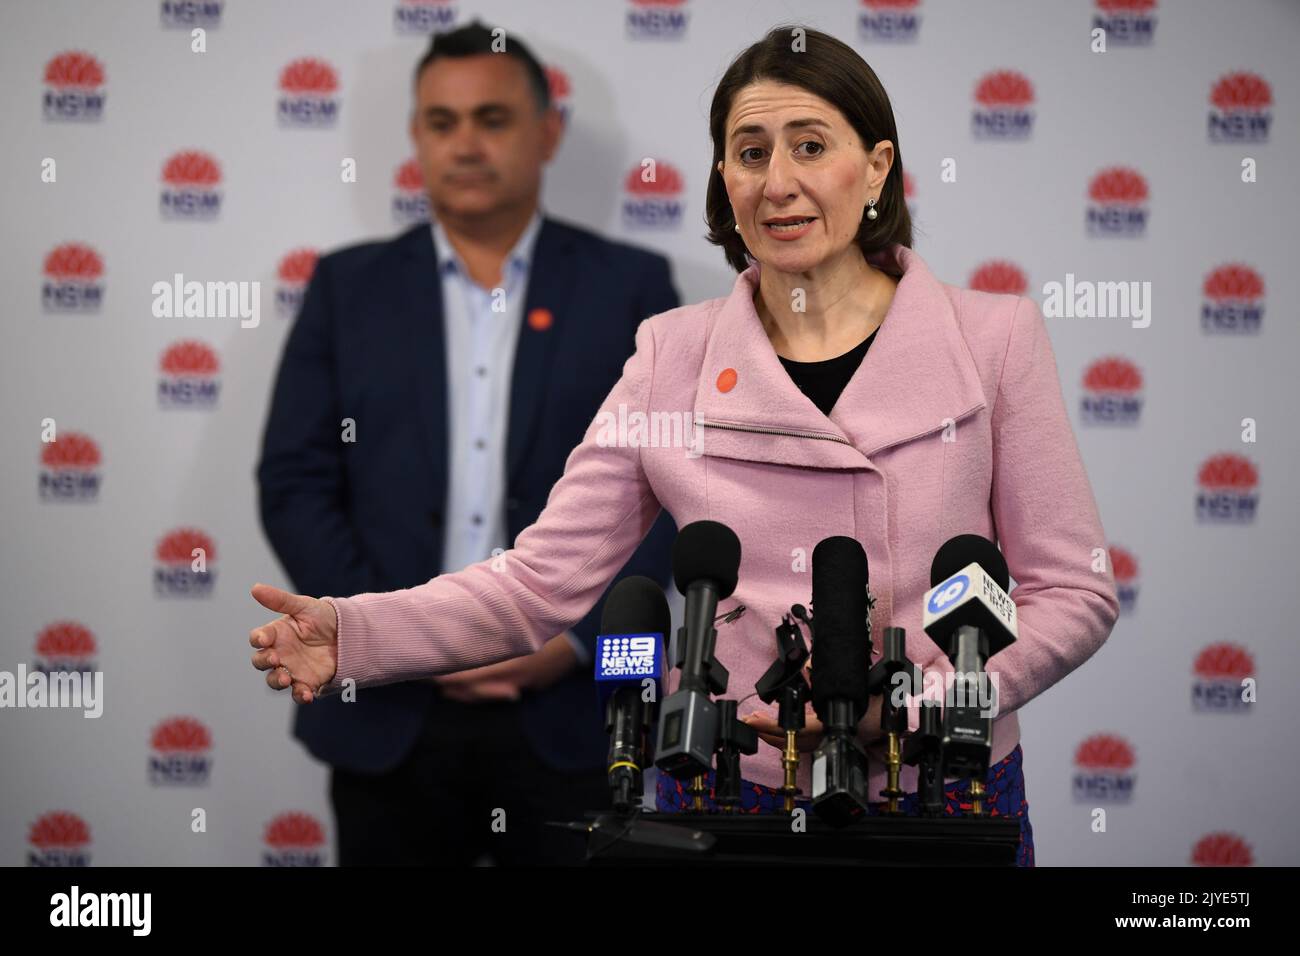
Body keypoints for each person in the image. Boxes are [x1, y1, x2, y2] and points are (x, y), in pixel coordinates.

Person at [250, 25, 1119, 868]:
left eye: (811, 146)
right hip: (724, 790)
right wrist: (357, 634)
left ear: (877, 169)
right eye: (750, 152)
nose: (778, 182)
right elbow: (539, 583)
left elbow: (1071, 590)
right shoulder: (672, 353)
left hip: (942, 784)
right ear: (723, 179)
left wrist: (932, 708)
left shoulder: (996, 338)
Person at [255, 21, 678, 866]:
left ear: (547, 131)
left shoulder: (629, 287)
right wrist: (390, 635)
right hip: (389, 716)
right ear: (415, 137)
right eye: (442, 123)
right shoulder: (349, 288)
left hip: (568, 716)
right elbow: (296, 481)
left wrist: (572, 640)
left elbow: (665, 488)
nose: (466, 144)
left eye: (493, 118)